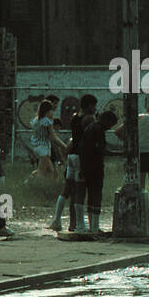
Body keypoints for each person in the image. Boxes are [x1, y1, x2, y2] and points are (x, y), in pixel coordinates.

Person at [116, 100, 149, 236]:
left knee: (139, 189)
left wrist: (129, 141)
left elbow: (118, 131)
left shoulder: (139, 117)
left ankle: (140, 221)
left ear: (147, 110)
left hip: (140, 155)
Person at [53, 94, 96, 233]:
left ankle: (58, 220)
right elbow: (89, 140)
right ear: (89, 105)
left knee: (67, 190)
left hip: (72, 155)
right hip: (80, 156)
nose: (95, 108)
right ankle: (80, 225)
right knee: (80, 192)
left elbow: (75, 138)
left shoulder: (75, 117)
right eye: (94, 105)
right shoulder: (89, 119)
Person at [78, 109, 119, 235]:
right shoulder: (99, 130)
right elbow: (102, 149)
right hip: (95, 167)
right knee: (96, 195)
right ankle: (95, 227)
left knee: (90, 196)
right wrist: (120, 153)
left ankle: (92, 226)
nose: (110, 128)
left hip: (86, 166)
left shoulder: (90, 127)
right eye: (111, 125)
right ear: (107, 121)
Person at [29, 99, 67, 180]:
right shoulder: (46, 121)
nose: (52, 112)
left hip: (36, 147)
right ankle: (35, 187)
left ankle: (28, 181)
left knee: (51, 170)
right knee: (41, 172)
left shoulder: (36, 120)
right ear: (48, 111)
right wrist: (65, 146)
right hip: (44, 148)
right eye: (52, 110)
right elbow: (53, 137)